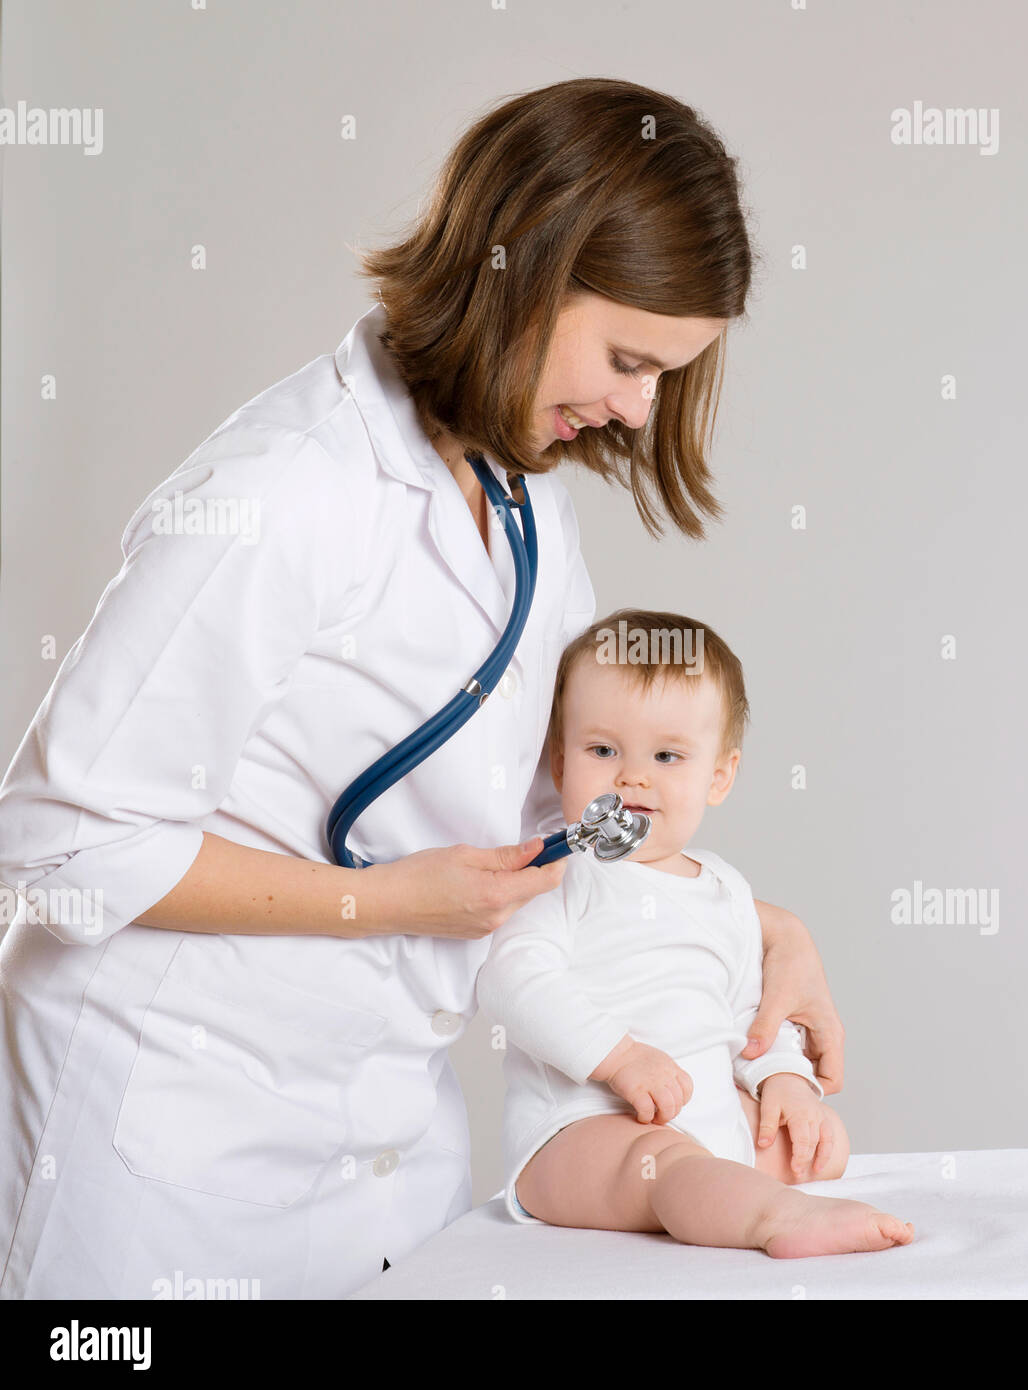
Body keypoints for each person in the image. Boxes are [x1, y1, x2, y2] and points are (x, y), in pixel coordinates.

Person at [0, 77, 844, 1300]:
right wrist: (381, 900)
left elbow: (553, 816)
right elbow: (60, 841)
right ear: (525, 274)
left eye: (666, 375)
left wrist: (762, 927)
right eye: (625, 358)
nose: (635, 408)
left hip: (391, 1135)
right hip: (170, 1137)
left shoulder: (527, 501)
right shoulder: (280, 492)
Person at [477, 610, 913, 1256]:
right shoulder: (559, 873)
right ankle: (771, 1220)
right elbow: (512, 980)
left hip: (704, 1115)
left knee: (815, 1142)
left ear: (718, 776)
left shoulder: (724, 891)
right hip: (584, 1131)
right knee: (660, 1164)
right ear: (559, 764)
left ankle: (747, 1186)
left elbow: (749, 1013)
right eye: (602, 751)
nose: (633, 776)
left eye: (666, 756)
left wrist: (784, 1080)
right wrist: (620, 1058)